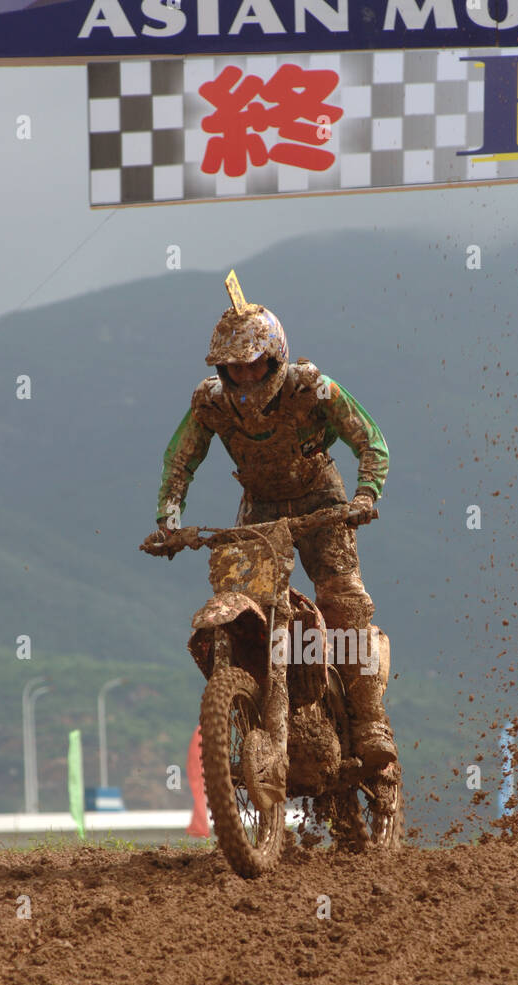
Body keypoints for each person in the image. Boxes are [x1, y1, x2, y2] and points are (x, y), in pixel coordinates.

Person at [142, 277, 397, 773]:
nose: (245, 375)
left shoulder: (313, 387)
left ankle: (369, 720)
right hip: (259, 510)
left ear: (276, 357)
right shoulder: (211, 403)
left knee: (342, 602)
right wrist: (170, 522)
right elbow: (179, 462)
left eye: (253, 363)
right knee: (247, 614)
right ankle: (251, 700)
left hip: (322, 499)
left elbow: (370, 440)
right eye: (234, 367)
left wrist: (366, 495)